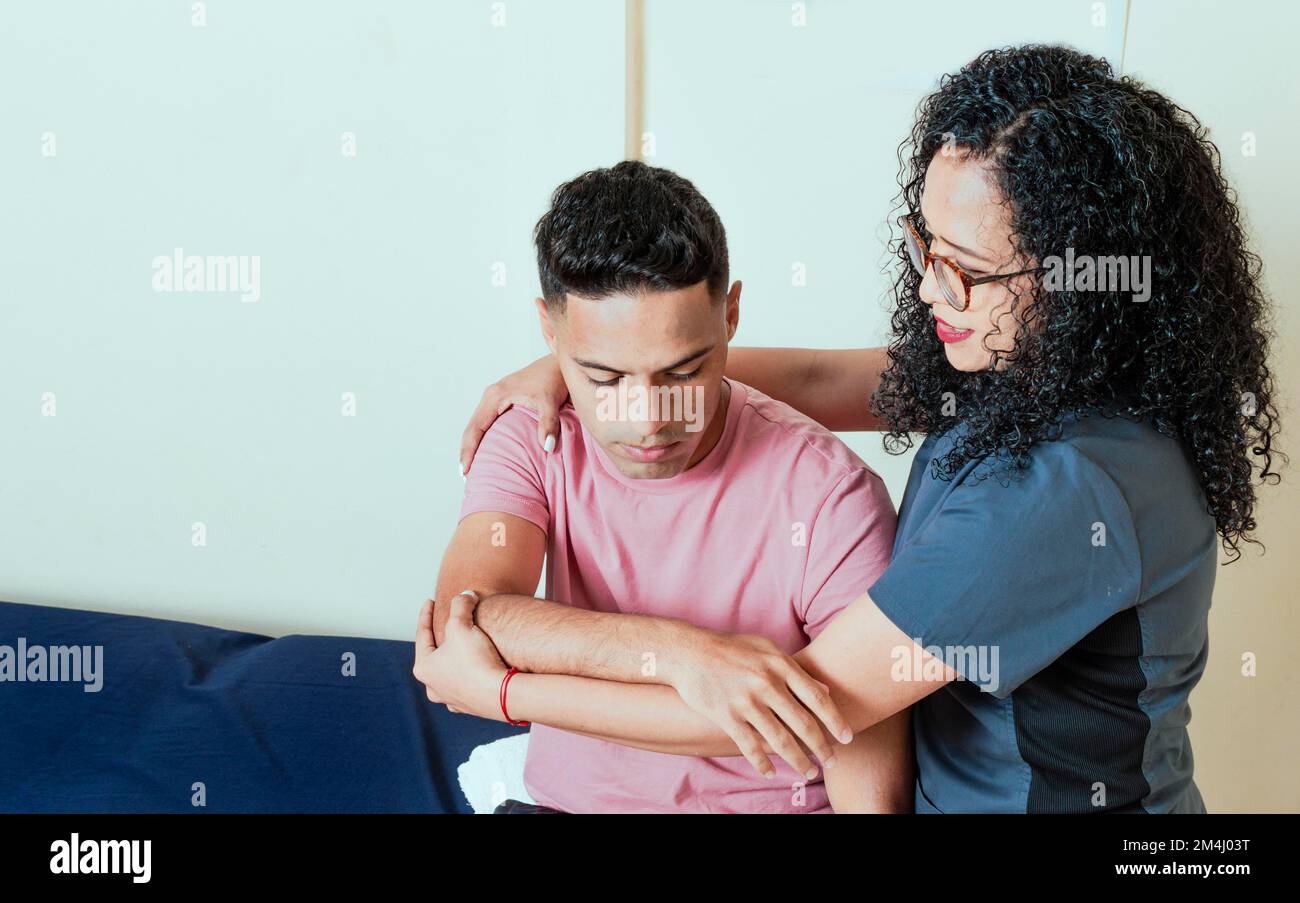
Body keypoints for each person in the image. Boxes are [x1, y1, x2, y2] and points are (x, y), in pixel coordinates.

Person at [437, 44, 1282, 813]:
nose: (931, 291)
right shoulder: (1025, 364)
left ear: (1081, 278)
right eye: (929, 250)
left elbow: (801, 702)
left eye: (971, 271)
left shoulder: (1059, 492)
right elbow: (815, 378)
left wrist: (499, 693)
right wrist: (586, 367)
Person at [414, 160, 909, 813]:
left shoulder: (831, 495)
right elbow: (470, 616)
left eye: (682, 371)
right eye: (605, 377)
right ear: (548, 331)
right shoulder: (533, 435)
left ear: (731, 315)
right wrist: (683, 653)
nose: (647, 420)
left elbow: (867, 778)